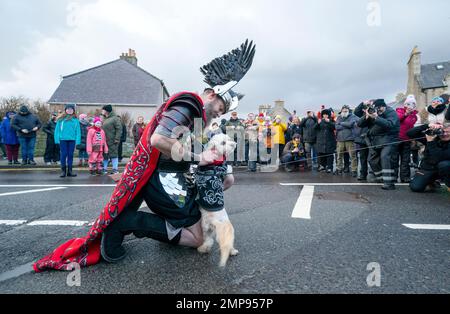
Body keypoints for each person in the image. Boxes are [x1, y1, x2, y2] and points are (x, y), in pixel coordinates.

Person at [33, 39, 255, 271]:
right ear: (211, 94)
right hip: (163, 179)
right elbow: (158, 140)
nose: (218, 115)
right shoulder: (189, 104)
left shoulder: (199, 117)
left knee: (198, 226)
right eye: (219, 109)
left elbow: (195, 150)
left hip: (175, 177)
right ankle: (126, 223)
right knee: (196, 238)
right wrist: (199, 158)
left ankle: (169, 222)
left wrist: (219, 169)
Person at [357, 99, 400, 190]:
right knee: (372, 160)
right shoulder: (374, 112)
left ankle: (389, 183)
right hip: (376, 140)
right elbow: (359, 124)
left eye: (379, 109)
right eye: (376, 109)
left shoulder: (391, 112)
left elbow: (390, 124)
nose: (378, 111)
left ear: (383, 106)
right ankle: (382, 179)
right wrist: (367, 116)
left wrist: (376, 117)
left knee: (385, 158)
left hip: (389, 139)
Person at [407, 123, 450, 193]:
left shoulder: (431, 140)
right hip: (429, 168)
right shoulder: (433, 137)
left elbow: (438, 157)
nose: (444, 134)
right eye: (442, 131)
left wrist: (430, 142)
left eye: (448, 132)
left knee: (444, 165)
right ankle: (432, 181)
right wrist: (427, 125)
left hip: (445, 168)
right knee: (415, 187)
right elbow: (410, 133)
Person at [392, 95, 418, 183]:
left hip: (407, 140)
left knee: (405, 159)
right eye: (408, 104)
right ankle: (393, 176)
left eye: (413, 104)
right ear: (405, 104)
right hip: (397, 138)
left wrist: (413, 139)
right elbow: (397, 119)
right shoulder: (399, 111)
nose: (410, 106)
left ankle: (405, 177)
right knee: (394, 159)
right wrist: (406, 113)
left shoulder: (415, 116)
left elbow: (412, 128)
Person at [54, 104, 81, 178]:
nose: (69, 110)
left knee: (70, 155)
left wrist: (78, 141)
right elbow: (57, 131)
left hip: (72, 140)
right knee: (63, 154)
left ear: (73, 111)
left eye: (71, 109)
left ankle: (70, 171)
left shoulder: (76, 120)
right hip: (63, 140)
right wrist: (57, 139)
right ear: (65, 110)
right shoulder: (61, 120)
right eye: (68, 109)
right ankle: (63, 171)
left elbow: (78, 131)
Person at [335, 105, 358, 176]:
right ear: (341, 111)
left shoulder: (352, 116)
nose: (344, 112)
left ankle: (354, 170)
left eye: (346, 111)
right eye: (343, 111)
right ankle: (339, 169)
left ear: (348, 111)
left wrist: (341, 123)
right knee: (339, 156)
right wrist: (346, 125)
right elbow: (336, 127)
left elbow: (350, 124)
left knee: (353, 156)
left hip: (349, 139)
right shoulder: (339, 117)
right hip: (340, 140)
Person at [101, 105, 123, 175]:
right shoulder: (104, 118)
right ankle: (104, 169)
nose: (102, 111)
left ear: (107, 111)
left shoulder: (115, 118)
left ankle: (115, 169)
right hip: (104, 140)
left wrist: (117, 139)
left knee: (114, 155)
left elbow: (119, 129)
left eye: (103, 110)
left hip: (113, 140)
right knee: (105, 155)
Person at [354, 101, 372, 181]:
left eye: (368, 107)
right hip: (363, 139)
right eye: (365, 107)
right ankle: (363, 174)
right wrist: (362, 103)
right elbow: (356, 111)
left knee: (373, 158)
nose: (367, 109)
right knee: (363, 158)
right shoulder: (361, 115)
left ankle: (375, 173)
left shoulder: (374, 113)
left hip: (372, 139)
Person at [315, 109, 336, 173]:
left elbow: (335, 127)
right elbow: (314, 128)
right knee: (321, 154)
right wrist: (317, 123)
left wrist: (329, 121)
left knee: (329, 154)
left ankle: (329, 167)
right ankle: (322, 166)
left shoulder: (331, 121)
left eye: (326, 114)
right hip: (320, 141)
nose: (325, 115)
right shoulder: (320, 121)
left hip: (329, 141)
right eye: (324, 114)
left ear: (328, 115)